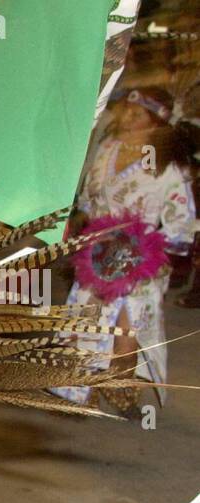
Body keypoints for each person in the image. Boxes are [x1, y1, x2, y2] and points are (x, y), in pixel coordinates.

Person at [56, 87, 197, 412]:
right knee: (85, 320)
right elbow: (91, 196)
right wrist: (83, 226)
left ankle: (124, 393)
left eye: (137, 115)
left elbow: (181, 216)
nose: (126, 118)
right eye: (126, 111)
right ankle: (76, 390)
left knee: (126, 328)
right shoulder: (108, 148)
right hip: (99, 254)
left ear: (155, 122)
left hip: (141, 259)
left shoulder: (168, 165)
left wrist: (165, 253)